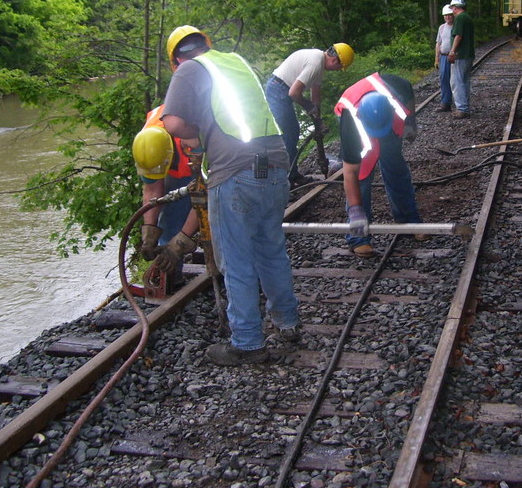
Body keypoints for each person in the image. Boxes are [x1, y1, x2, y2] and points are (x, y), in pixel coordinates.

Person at [160, 25, 300, 365]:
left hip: (235, 172)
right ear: (206, 44)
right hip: (274, 163)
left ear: (175, 59)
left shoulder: (189, 69)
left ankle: (248, 342)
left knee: (236, 258)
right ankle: (287, 322)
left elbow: (173, 124)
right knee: (270, 247)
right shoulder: (235, 61)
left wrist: (202, 134)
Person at [334, 72, 426, 257]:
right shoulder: (351, 122)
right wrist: (356, 212)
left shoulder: (397, 86)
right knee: (362, 178)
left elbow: (409, 94)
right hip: (361, 124)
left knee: (396, 168)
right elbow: (350, 173)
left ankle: (409, 220)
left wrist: (410, 122)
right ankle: (358, 236)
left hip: (386, 123)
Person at [265, 44, 355, 186]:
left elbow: (316, 95)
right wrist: (309, 107)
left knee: (292, 133)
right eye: (339, 68)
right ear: (335, 61)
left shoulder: (318, 61)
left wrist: (317, 118)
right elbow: (294, 93)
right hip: (278, 90)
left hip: (280, 89)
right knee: (289, 135)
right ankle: (285, 181)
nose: (336, 71)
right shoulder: (315, 63)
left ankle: (292, 176)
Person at [132, 109, 200, 290]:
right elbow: (152, 188)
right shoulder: (148, 141)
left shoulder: (194, 135)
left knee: (220, 216)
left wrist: (181, 242)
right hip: (178, 165)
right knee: (169, 219)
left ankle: (227, 268)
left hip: (219, 161)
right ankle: (170, 279)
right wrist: (150, 231)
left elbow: (206, 196)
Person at [446, 0, 475, 119]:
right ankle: (465, 106)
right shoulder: (468, 18)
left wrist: (452, 52)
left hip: (460, 55)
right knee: (464, 81)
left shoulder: (460, 18)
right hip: (468, 54)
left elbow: (458, 36)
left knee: (457, 82)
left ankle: (462, 109)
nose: (452, 10)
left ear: (456, 8)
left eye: (452, 8)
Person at [435, 5, 455, 112]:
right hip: (443, 56)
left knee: (455, 80)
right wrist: (436, 59)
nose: (447, 17)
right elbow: (438, 43)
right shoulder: (441, 28)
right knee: (444, 80)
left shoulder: (456, 26)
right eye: (445, 15)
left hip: (455, 57)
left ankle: (458, 103)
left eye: (449, 15)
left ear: (453, 15)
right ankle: (445, 103)